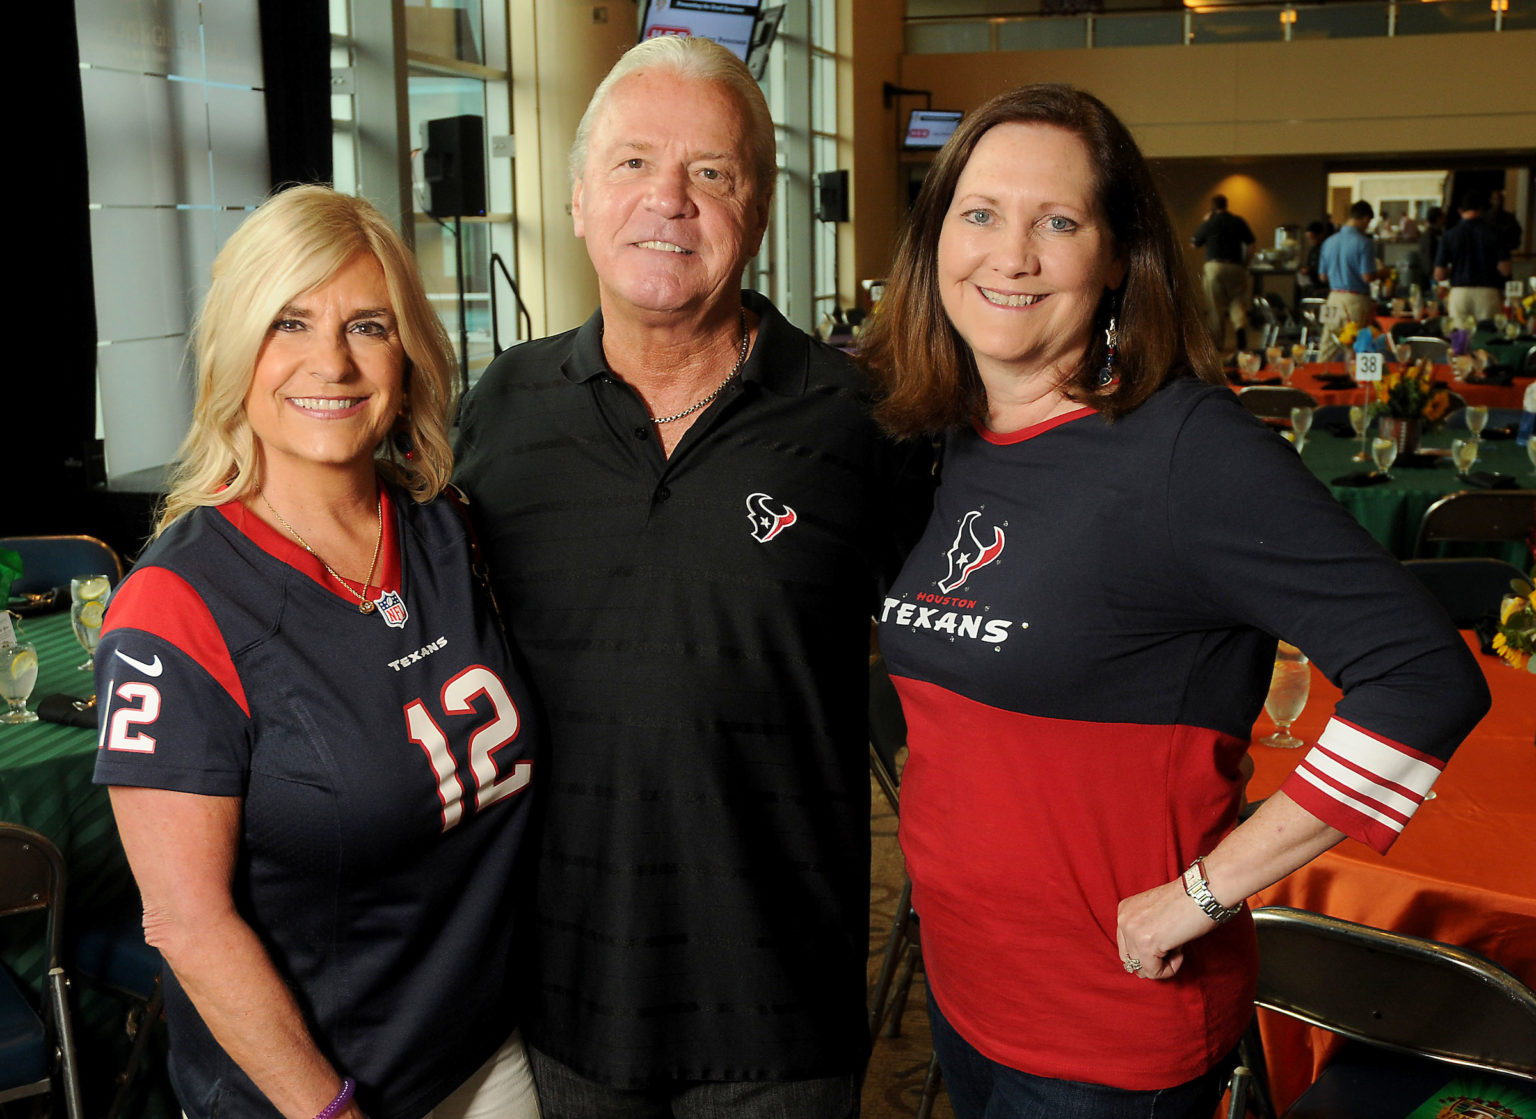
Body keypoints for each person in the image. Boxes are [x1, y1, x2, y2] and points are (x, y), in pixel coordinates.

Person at [857, 83, 1489, 1118]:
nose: (1009, 255)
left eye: (1056, 222)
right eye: (979, 214)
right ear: (934, 244)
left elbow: (1425, 679)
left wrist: (1202, 895)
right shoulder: (950, 441)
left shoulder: (1184, 453)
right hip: (968, 999)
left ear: (1116, 260)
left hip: (1110, 1039)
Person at [454, 35, 925, 1119]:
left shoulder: (859, 425)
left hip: (780, 1011)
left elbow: (960, 663)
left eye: (710, 172)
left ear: (757, 210)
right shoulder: (499, 412)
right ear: (577, 200)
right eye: (631, 164)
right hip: (557, 995)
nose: (667, 200)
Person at [93, 185, 542, 1119]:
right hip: (306, 1098)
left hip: (491, 1054)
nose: (330, 361)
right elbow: (186, 920)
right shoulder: (174, 608)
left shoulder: (447, 528)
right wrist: (327, 1109)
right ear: (236, 347)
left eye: (367, 325)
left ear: (407, 350)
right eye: (288, 321)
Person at [1190, 194, 1255, 356]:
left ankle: (1217, 346)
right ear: (1227, 205)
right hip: (1235, 266)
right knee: (1237, 302)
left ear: (1213, 207)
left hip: (1215, 267)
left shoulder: (1210, 222)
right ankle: (1240, 334)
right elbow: (1251, 244)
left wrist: (1205, 221)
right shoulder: (1238, 221)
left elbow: (1194, 243)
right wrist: (1245, 264)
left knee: (1215, 306)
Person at [1436, 189, 1512, 324]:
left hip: (1459, 292)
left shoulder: (1449, 236)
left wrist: (1453, 270)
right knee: (1487, 337)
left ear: (1460, 211)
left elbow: (1439, 275)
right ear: (1481, 209)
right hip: (1488, 292)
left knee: (1460, 340)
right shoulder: (1494, 233)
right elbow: (1505, 269)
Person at [1317, 200, 1382, 358]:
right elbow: (1367, 276)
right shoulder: (1365, 243)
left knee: (1327, 344)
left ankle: (1319, 374)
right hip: (1354, 299)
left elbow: (1322, 276)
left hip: (1332, 298)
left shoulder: (1329, 242)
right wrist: (1383, 273)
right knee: (1355, 346)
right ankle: (1352, 379)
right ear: (1365, 219)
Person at [1485, 187, 1523, 256]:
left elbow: (1516, 236)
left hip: (1504, 254)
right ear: (1491, 200)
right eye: (1495, 199)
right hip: (1487, 255)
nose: (1498, 202)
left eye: (1500, 199)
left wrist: (1505, 246)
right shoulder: (1484, 218)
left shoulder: (1510, 218)